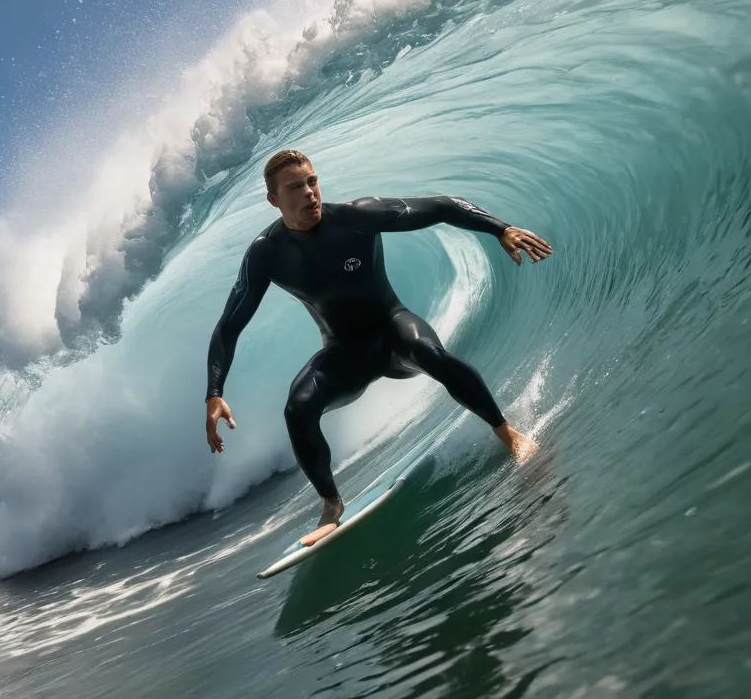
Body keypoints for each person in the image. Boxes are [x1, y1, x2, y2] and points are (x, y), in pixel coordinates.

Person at [205, 149, 552, 544]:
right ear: (274, 199)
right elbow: (229, 324)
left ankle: (509, 435)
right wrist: (214, 393)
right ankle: (331, 505)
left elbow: (440, 206)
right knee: (298, 408)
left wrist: (499, 229)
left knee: (430, 354)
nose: (310, 193)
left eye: (313, 182)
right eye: (296, 187)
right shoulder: (266, 253)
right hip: (345, 352)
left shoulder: (357, 217)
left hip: (393, 329)